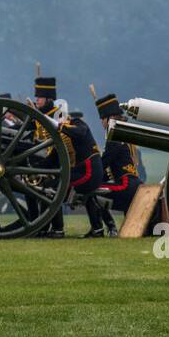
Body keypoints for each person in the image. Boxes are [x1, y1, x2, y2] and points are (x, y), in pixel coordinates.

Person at [26, 75, 105, 238]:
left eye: (39, 97)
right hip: (82, 171)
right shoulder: (61, 136)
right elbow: (52, 160)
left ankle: (58, 230)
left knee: (53, 188)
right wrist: (31, 170)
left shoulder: (77, 123)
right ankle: (97, 230)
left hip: (89, 171)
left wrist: (60, 125)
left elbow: (80, 133)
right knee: (49, 182)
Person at [90, 93, 142, 237]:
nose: (101, 123)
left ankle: (108, 228)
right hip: (134, 183)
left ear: (110, 118)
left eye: (102, 119)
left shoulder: (114, 138)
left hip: (126, 185)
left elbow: (103, 163)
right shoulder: (124, 133)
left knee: (92, 190)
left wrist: (89, 175)